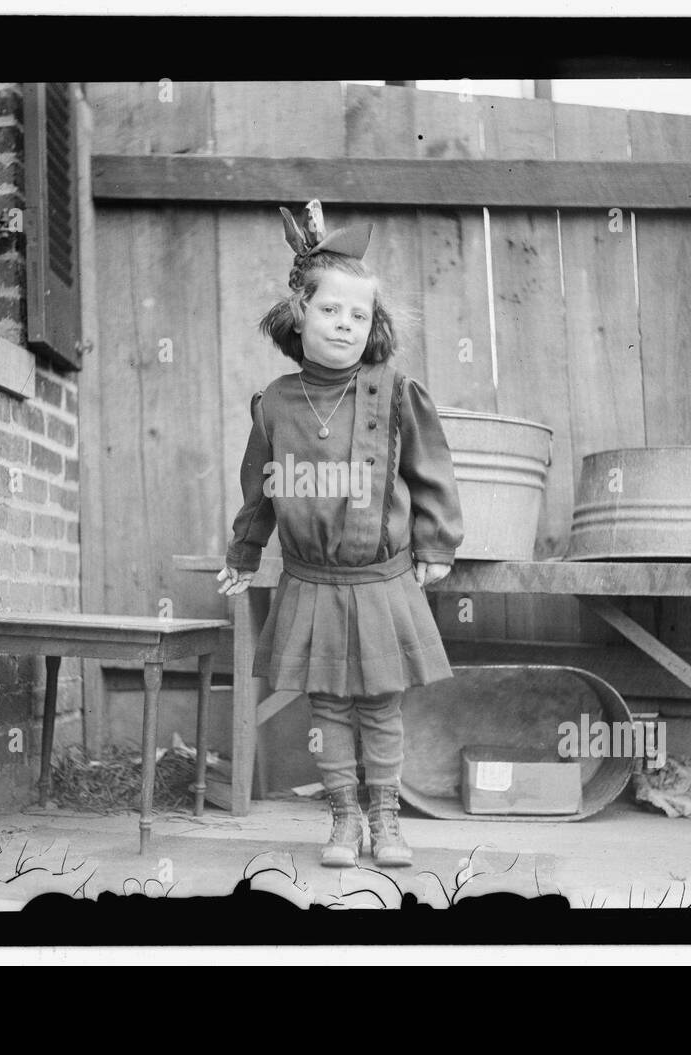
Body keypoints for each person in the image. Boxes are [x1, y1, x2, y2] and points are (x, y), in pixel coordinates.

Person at [217, 200, 464, 868]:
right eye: (331, 311)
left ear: (374, 324)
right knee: (326, 705)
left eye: (359, 315)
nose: (345, 324)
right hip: (312, 580)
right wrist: (244, 552)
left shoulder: (393, 391)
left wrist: (436, 544)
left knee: (381, 703)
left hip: (380, 578)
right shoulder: (275, 402)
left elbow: (430, 470)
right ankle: (343, 820)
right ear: (300, 313)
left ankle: (387, 820)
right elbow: (259, 488)